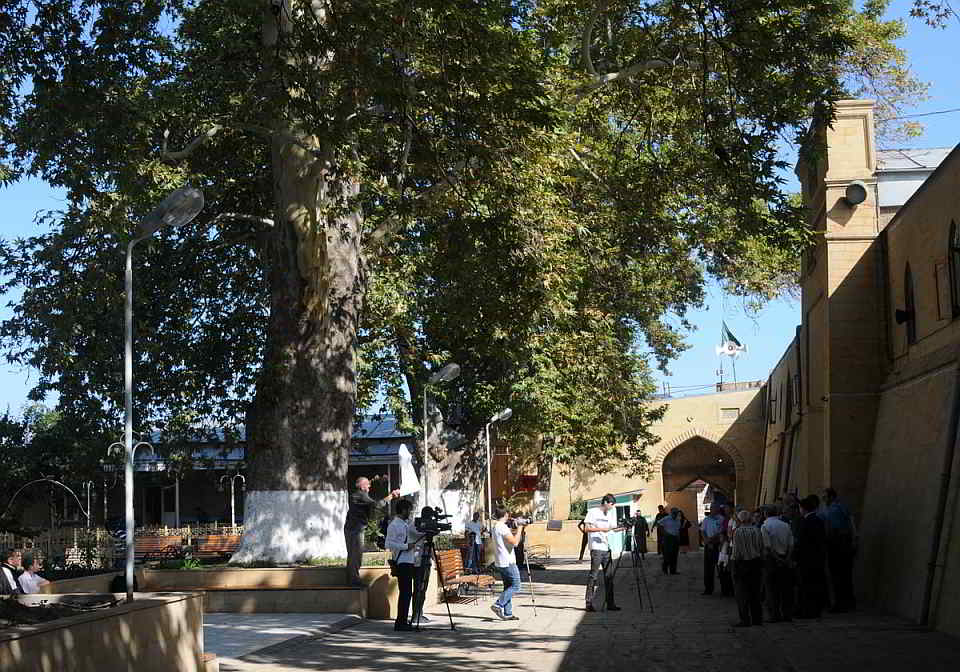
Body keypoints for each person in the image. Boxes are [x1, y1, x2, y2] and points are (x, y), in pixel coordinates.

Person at [343, 476, 400, 586]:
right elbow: (376, 505)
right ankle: (354, 582)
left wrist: (378, 480)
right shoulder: (360, 495)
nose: (369, 487)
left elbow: (371, 507)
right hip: (355, 529)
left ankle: (351, 580)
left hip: (352, 527)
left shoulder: (359, 495)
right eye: (367, 485)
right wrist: (391, 496)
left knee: (353, 554)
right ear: (362, 486)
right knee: (356, 555)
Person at [385, 499, 423, 631]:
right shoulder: (394, 525)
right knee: (405, 593)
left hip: (410, 561)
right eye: (408, 510)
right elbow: (388, 544)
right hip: (402, 563)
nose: (410, 512)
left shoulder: (407, 524)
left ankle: (403, 621)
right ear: (403, 510)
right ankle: (400, 622)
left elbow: (417, 535)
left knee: (407, 593)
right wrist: (406, 546)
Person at [583, 494, 625, 611]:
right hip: (596, 548)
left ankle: (610, 603)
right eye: (611, 505)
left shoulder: (609, 514)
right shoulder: (593, 512)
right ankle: (589, 603)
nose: (612, 507)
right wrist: (601, 529)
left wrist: (624, 527)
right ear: (606, 502)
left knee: (609, 576)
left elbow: (613, 528)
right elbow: (586, 529)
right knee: (593, 576)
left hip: (607, 548)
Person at [823, 487, 856, 612]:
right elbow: (851, 522)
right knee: (846, 574)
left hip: (836, 543)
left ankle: (839, 604)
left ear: (831, 497)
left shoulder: (832, 510)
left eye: (825, 497)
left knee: (836, 575)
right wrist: (854, 539)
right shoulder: (843, 507)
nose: (824, 500)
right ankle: (849, 602)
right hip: (846, 542)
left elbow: (831, 529)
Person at [794, 494, 828, 619]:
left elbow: (801, 542)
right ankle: (815, 610)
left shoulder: (805, 522)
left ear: (803, 508)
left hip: (806, 560)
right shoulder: (819, 520)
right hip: (817, 558)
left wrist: (795, 557)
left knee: (805, 586)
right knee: (816, 585)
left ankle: (806, 611)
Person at [490, 506, 526, 621]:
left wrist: (515, 528)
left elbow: (508, 539)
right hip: (508, 562)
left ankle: (508, 613)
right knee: (516, 585)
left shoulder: (496, 527)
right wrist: (520, 528)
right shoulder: (502, 527)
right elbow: (515, 542)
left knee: (508, 586)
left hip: (501, 561)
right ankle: (498, 604)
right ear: (505, 514)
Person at [761, 504, 794, 622]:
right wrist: (786, 559)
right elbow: (791, 545)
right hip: (785, 558)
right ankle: (787, 614)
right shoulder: (786, 525)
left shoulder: (765, 526)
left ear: (766, 514)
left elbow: (768, 547)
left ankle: (774, 614)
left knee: (771, 589)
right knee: (785, 588)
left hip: (772, 560)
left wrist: (778, 559)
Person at [732, 510, 764, 627]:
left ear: (740, 520)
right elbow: (761, 547)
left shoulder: (738, 532)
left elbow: (736, 552)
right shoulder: (757, 530)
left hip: (742, 564)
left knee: (742, 594)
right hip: (756, 563)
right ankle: (757, 619)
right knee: (755, 593)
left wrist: (734, 566)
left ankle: (745, 619)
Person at [701, 507, 725, 596]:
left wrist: (711, 539)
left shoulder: (721, 519)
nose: (714, 510)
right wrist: (707, 540)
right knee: (708, 568)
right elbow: (702, 531)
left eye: (715, 508)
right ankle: (708, 589)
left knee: (721, 567)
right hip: (709, 546)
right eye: (712, 508)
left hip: (719, 545)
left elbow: (721, 532)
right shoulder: (706, 520)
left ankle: (724, 589)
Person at [656, 507, 682, 575]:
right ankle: (664, 568)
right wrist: (664, 532)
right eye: (675, 513)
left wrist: (678, 538)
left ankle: (673, 570)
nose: (676, 514)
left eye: (677, 513)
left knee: (674, 555)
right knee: (667, 555)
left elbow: (678, 529)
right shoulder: (667, 518)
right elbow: (658, 524)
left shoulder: (678, 519)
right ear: (672, 513)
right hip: (668, 538)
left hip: (675, 538)